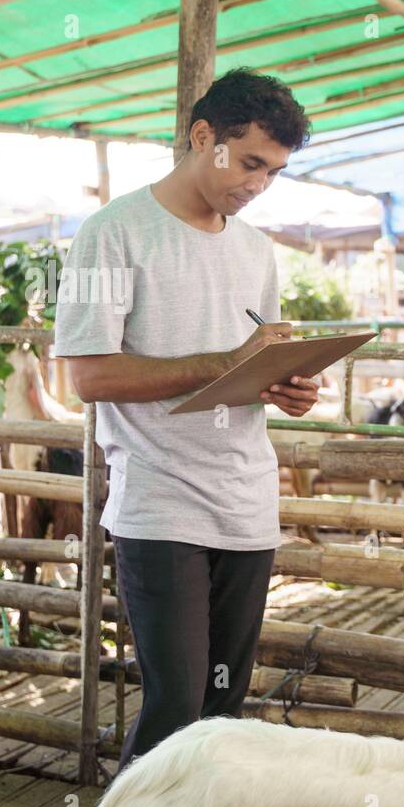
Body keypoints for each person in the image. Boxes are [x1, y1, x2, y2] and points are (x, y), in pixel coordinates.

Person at [52, 68, 317, 767]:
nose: (259, 184)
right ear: (204, 137)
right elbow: (88, 375)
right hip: (161, 501)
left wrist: (281, 383)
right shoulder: (107, 234)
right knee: (176, 704)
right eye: (251, 162)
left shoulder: (255, 249)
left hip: (247, 500)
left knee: (223, 712)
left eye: (275, 171)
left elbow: (242, 361)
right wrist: (222, 361)